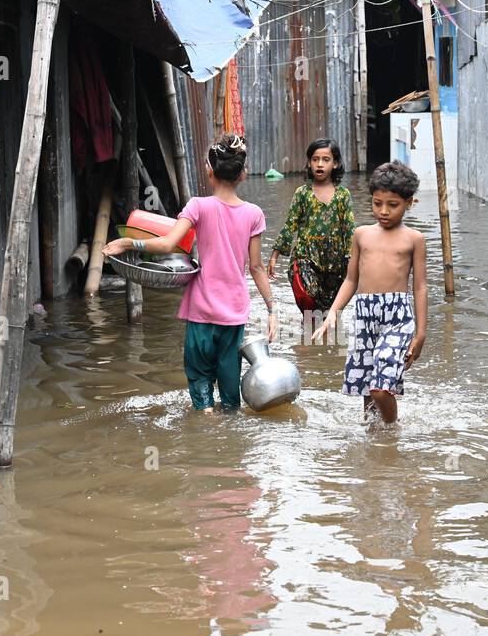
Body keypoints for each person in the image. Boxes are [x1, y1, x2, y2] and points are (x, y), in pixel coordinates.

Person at [103, 134, 277, 413]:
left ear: (210, 171)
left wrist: (127, 242)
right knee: (230, 393)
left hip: (202, 312)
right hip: (233, 314)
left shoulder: (198, 206)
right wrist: (271, 310)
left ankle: (205, 421)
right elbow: (256, 267)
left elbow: (168, 244)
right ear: (243, 174)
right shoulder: (254, 214)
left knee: (199, 381)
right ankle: (227, 432)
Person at [314, 160, 427, 426]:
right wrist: (333, 313)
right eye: (377, 203)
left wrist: (421, 333)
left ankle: (392, 431)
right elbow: (351, 280)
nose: (383, 211)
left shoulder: (414, 239)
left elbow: (420, 287)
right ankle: (374, 441)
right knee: (367, 387)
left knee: (381, 388)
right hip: (365, 316)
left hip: (397, 316)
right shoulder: (361, 235)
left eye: (393, 205)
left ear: (409, 203)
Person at [267, 138, 355, 340]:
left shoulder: (343, 195)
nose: (320, 164)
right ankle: (309, 347)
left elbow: (349, 230)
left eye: (326, 159)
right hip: (307, 256)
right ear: (309, 163)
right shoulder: (302, 194)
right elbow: (291, 224)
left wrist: (354, 261)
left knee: (331, 310)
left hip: (336, 261)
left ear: (336, 164)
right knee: (308, 298)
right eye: (315, 159)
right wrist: (275, 255)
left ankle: (327, 350)